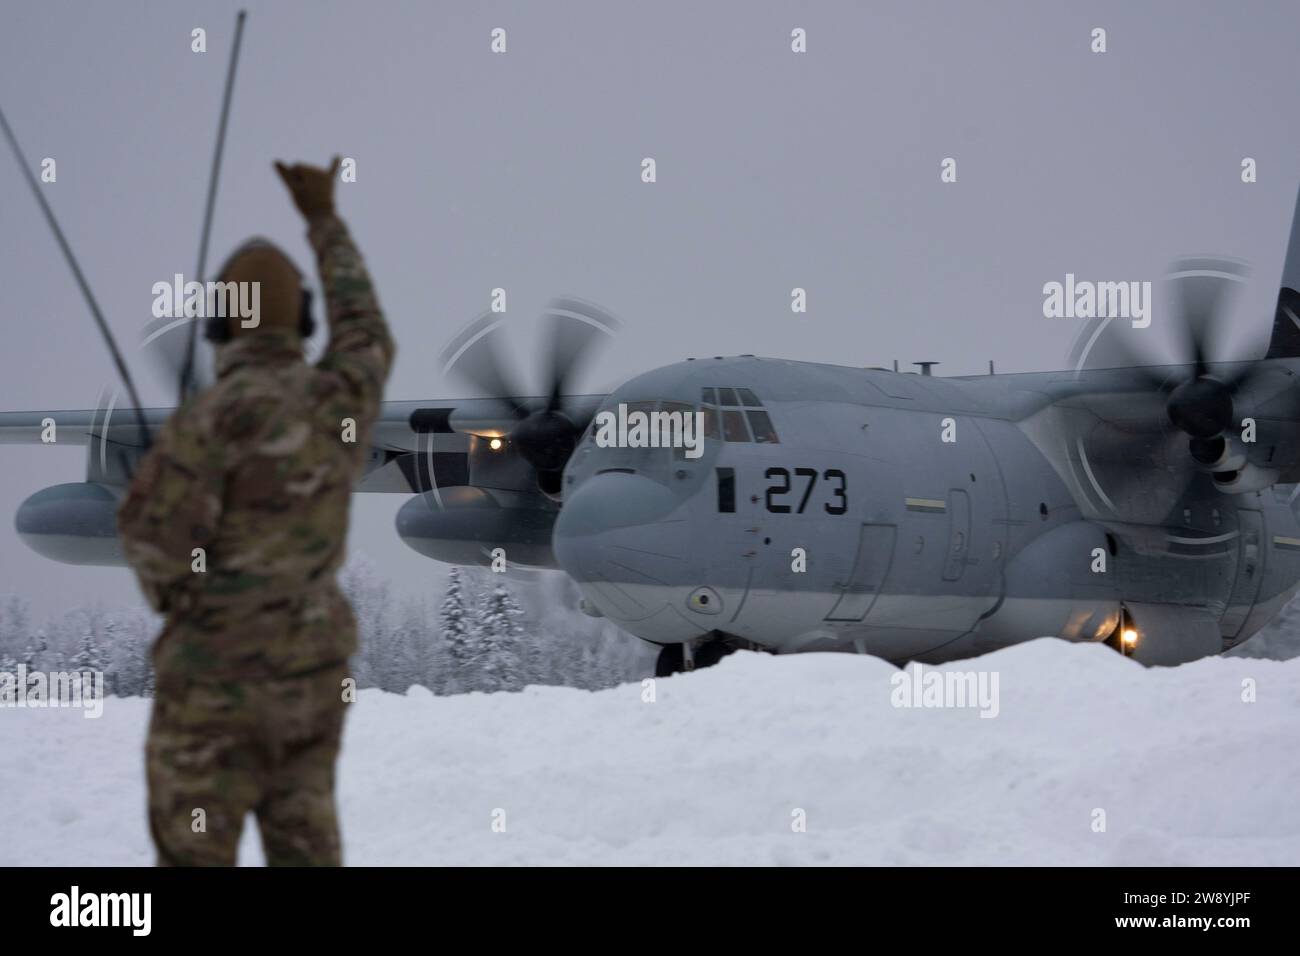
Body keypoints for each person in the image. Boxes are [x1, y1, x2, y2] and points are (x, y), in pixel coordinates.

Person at [117, 157, 395, 865]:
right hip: (310, 685)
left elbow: (152, 543)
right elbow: (365, 330)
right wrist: (323, 218)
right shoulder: (340, 402)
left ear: (218, 324)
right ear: (302, 318)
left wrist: (190, 603)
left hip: (212, 686)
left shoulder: (203, 422)